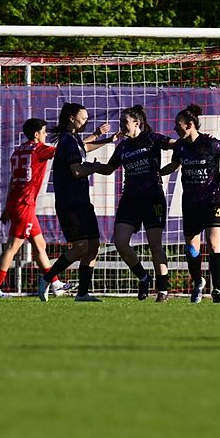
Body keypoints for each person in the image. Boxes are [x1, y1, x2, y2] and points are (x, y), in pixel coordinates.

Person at [160, 104, 220, 304]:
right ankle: (199, 281)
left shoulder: (211, 144)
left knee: (214, 243)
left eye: (177, 124)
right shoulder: (181, 147)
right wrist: (158, 173)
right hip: (191, 204)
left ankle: (217, 288)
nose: (174, 128)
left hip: (213, 201)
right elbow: (174, 165)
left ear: (189, 125)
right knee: (191, 248)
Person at [0, 118, 73, 298]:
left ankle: (55, 283)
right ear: (36, 134)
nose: (46, 134)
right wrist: (95, 136)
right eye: (44, 131)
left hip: (19, 202)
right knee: (12, 247)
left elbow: (12, 181)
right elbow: (66, 150)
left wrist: (7, 207)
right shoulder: (39, 149)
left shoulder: (18, 151)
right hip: (24, 204)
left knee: (40, 245)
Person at [94, 105, 175, 302]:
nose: (122, 126)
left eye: (125, 122)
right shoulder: (123, 147)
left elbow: (177, 144)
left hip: (152, 198)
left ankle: (163, 289)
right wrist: (93, 167)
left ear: (137, 123)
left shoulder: (152, 139)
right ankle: (143, 277)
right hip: (130, 199)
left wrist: (179, 159)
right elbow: (108, 169)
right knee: (120, 242)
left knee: (155, 245)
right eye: (121, 122)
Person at [36, 102, 111, 302]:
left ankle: (83, 293)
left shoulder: (74, 138)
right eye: (83, 117)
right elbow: (77, 171)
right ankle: (47, 279)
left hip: (82, 200)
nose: (86, 120)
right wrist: (95, 168)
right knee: (80, 247)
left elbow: (84, 146)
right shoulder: (67, 141)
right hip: (69, 202)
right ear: (72, 118)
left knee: (94, 245)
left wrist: (104, 137)